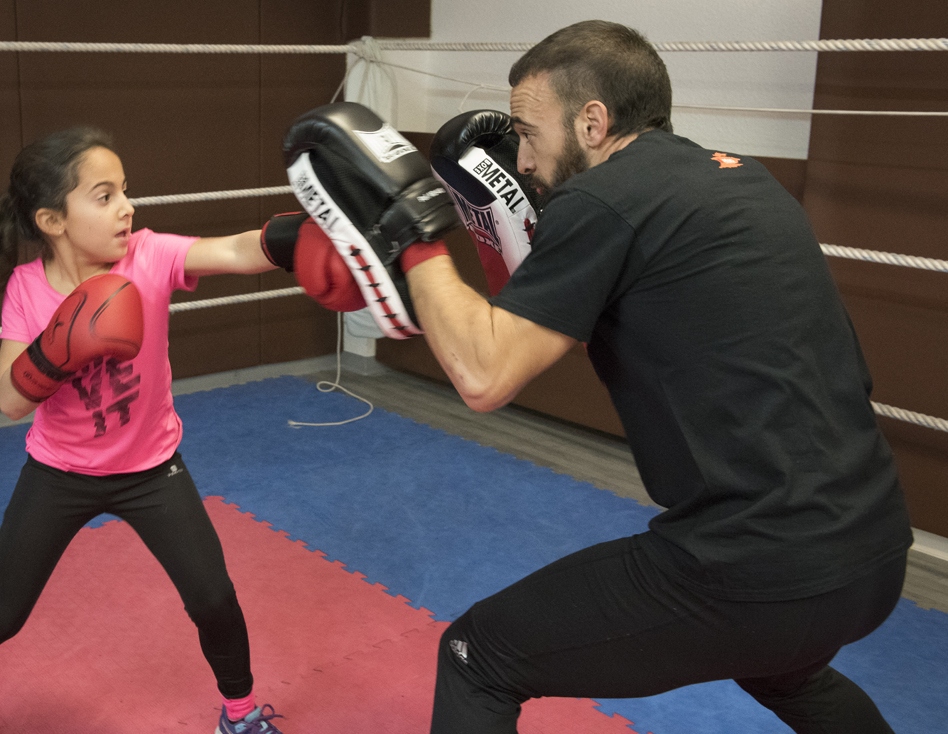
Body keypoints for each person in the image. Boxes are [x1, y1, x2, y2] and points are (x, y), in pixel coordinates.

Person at [283, 19, 914, 734]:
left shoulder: (603, 199)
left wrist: (412, 228)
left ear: (593, 121)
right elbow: (617, 333)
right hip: (872, 552)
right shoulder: (740, 182)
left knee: (476, 655)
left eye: (528, 131)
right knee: (786, 671)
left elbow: (484, 378)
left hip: (754, 567)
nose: (519, 158)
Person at [0, 126, 317, 734]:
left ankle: (240, 717)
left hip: (152, 471)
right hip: (60, 474)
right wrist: (60, 347)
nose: (127, 208)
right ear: (53, 220)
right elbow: (9, 399)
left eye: (126, 192)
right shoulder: (28, 289)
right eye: (105, 196)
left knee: (213, 597)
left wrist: (307, 233)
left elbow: (236, 250)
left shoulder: (148, 254)